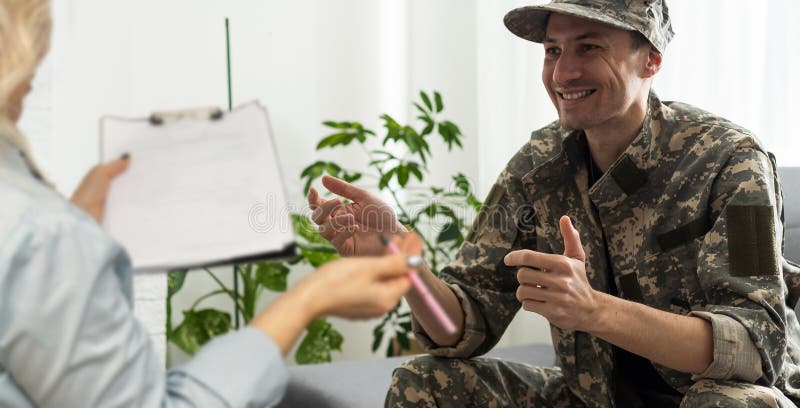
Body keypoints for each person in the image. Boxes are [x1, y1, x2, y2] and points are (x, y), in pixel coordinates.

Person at [309, 0, 800, 406]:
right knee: (428, 382)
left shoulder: (730, 160)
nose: (563, 72)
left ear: (650, 58)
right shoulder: (537, 167)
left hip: (722, 396)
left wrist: (591, 310)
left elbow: (753, 348)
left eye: (589, 47)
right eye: (552, 50)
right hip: (592, 398)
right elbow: (464, 326)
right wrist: (407, 263)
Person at [0, 1, 423, 406]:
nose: (44, 52)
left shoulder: (39, 226)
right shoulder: (39, 231)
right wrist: (308, 299)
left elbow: (465, 323)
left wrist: (73, 233)